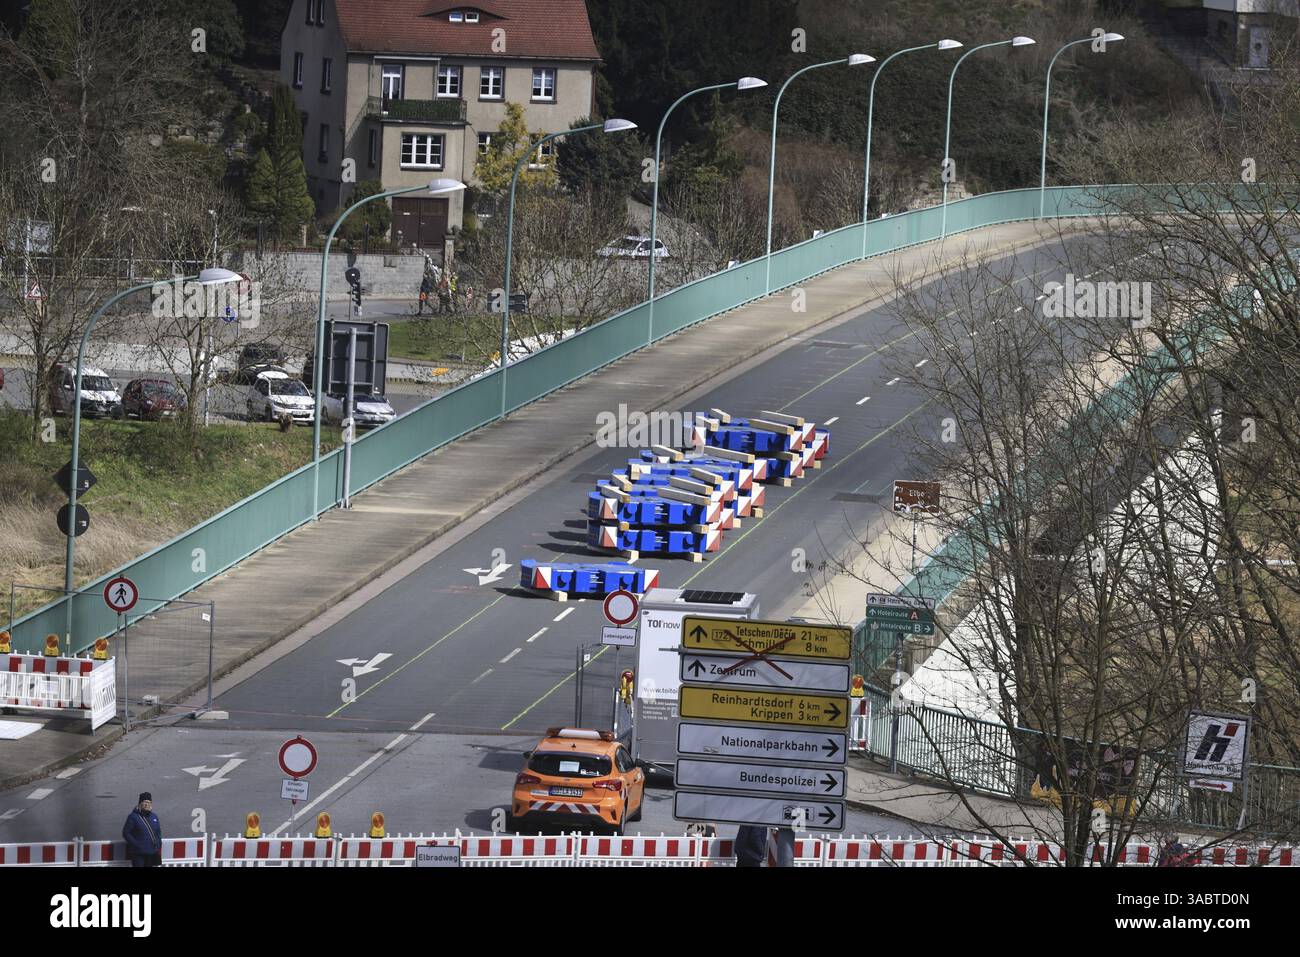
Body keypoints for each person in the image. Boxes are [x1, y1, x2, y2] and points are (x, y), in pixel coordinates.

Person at [122, 792, 162, 867]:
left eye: (149, 802)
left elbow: (158, 832)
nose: (147, 804)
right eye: (145, 802)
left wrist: (159, 843)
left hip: (152, 852)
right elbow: (126, 833)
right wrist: (136, 844)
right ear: (140, 803)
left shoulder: (154, 816)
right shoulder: (133, 817)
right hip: (139, 853)